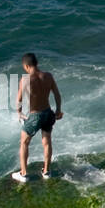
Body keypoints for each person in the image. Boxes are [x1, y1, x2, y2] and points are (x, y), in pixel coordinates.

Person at [13, 52, 63, 182]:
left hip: (35, 115)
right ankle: (46, 171)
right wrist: (58, 110)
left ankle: (23, 173)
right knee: (47, 142)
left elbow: (19, 99)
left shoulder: (25, 80)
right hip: (48, 113)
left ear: (26, 65)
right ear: (37, 63)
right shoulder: (48, 76)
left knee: (24, 142)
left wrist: (19, 112)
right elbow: (57, 95)